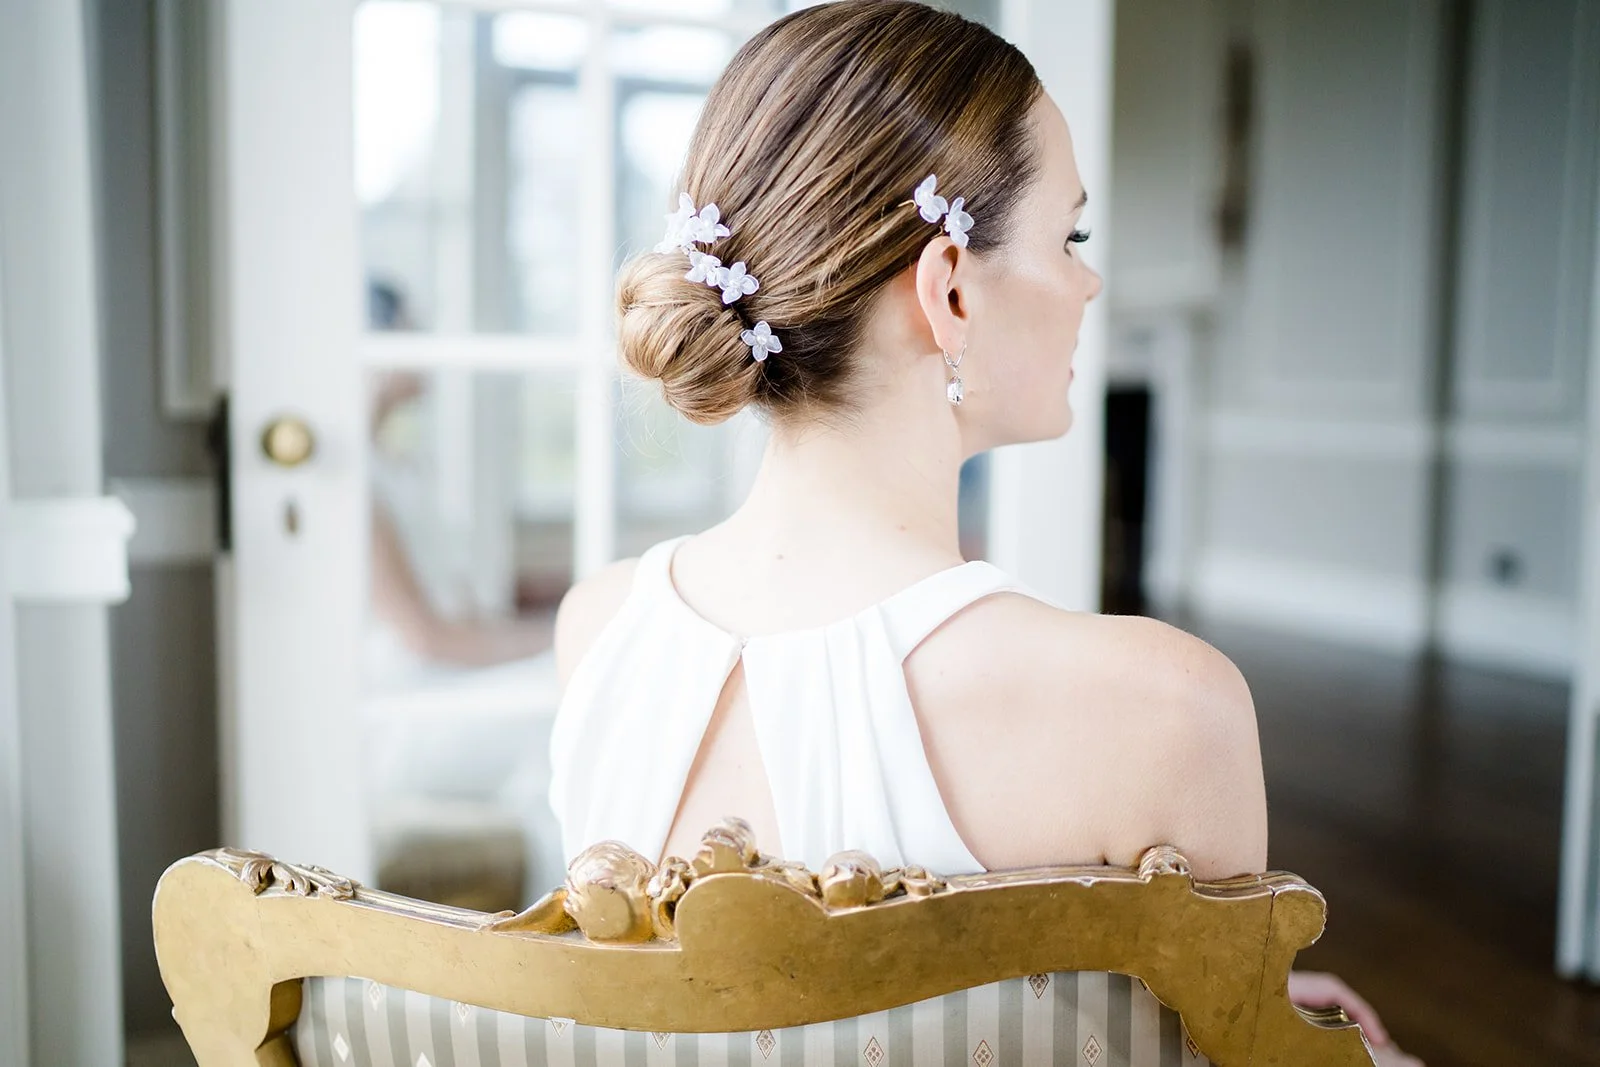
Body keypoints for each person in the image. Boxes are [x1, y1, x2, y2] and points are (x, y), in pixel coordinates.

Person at [547, 3, 1420, 1063]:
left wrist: (1258, 995)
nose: (1089, 281)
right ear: (948, 288)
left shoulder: (596, 632)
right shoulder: (1162, 703)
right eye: (1071, 235)